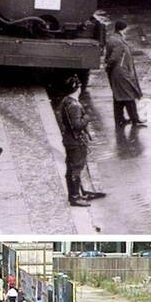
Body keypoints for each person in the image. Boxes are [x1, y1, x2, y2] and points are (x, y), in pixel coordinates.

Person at [57, 78, 94, 207]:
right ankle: (75, 197)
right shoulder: (75, 106)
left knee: (72, 167)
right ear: (77, 89)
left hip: (70, 139)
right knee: (75, 169)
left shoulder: (66, 101)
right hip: (75, 141)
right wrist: (87, 117)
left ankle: (74, 194)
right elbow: (77, 125)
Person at [105, 22, 145, 128]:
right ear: (122, 30)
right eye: (125, 30)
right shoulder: (118, 42)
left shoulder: (114, 39)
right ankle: (135, 119)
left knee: (119, 96)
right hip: (121, 72)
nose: (126, 32)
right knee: (128, 95)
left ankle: (120, 119)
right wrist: (109, 66)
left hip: (117, 72)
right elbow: (114, 58)